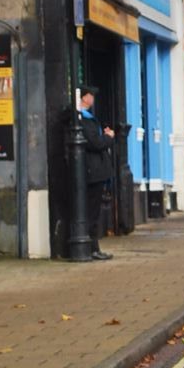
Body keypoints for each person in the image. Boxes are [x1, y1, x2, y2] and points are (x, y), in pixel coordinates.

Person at [79, 88, 116, 260]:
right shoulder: (83, 119)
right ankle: (91, 248)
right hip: (92, 172)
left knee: (93, 211)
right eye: (91, 95)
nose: (93, 98)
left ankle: (93, 247)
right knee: (92, 212)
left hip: (94, 171)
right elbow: (95, 143)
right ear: (85, 97)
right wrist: (108, 137)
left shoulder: (86, 118)